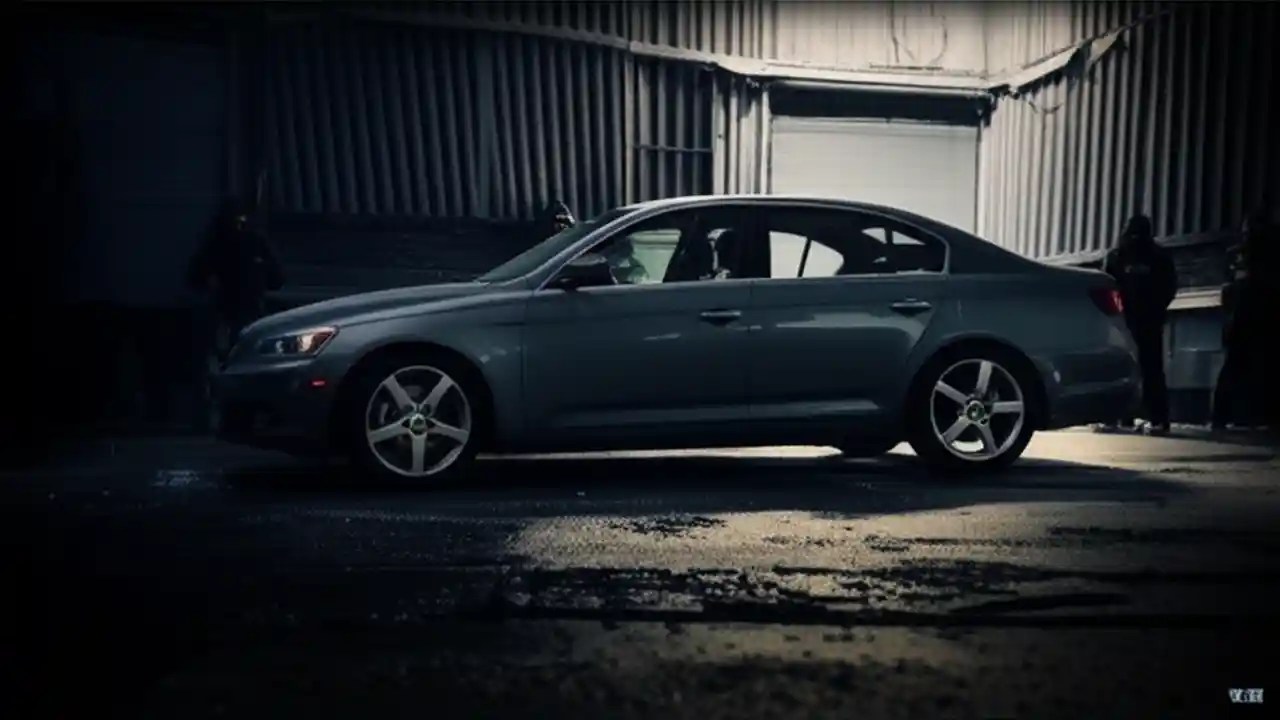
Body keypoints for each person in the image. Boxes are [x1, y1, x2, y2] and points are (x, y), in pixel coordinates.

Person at [1103, 214, 1177, 435]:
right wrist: (1157, 309)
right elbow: (1169, 287)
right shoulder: (1159, 256)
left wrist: (1115, 313)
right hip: (1146, 320)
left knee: (1124, 367)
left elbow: (1107, 286)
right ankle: (1157, 419)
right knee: (1151, 369)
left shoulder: (1117, 256)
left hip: (1126, 321)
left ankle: (1118, 416)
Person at [187, 197, 285, 362]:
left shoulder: (223, 243)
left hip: (234, 310)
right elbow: (276, 278)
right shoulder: (249, 242)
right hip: (237, 310)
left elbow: (276, 277)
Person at [1212, 213, 1275, 431]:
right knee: (1258, 368)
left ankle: (1222, 417)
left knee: (1233, 368)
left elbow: (1226, 290)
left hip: (1240, 319)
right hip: (1258, 319)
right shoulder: (1268, 255)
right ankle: (1256, 416)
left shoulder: (1236, 256)